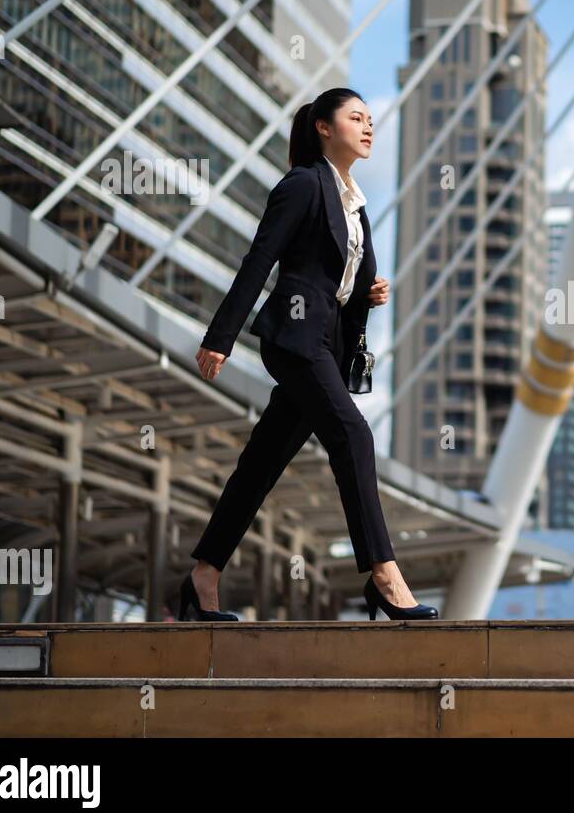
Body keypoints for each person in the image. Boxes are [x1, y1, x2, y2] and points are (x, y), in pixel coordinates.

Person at [182, 87, 438, 621]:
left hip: (327, 343)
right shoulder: (303, 184)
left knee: (260, 465)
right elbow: (262, 259)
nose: (368, 127)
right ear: (324, 127)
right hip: (295, 339)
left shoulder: (354, 201)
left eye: (371, 120)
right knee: (353, 435)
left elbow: (338, 278)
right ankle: (383, 574)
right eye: (356, 118)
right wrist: (220, 336)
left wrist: (368, 289)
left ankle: (203, 575)